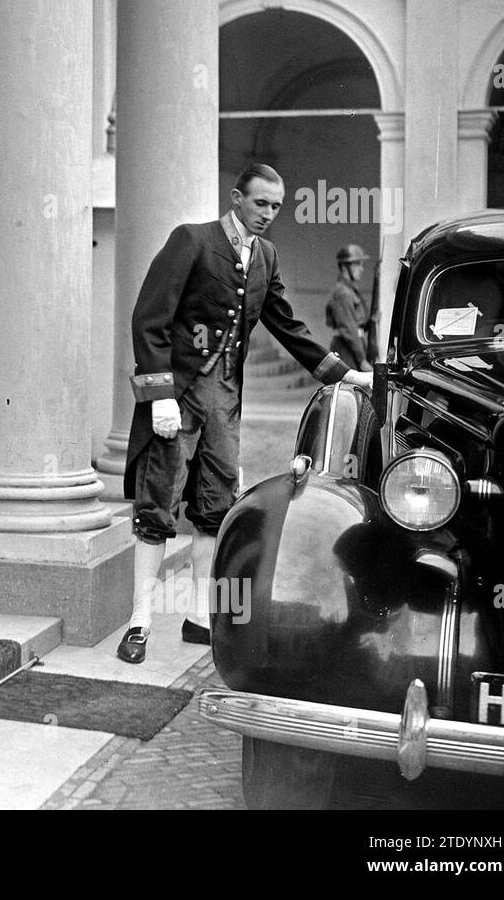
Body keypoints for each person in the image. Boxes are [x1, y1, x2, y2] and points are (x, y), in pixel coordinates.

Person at [116, 163, 373, 664]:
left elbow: (285, 323)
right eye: (260, 204)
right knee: (157, 508)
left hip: (224, 402)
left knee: (214, 509)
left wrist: (342, 374)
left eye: (276, 207)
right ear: (237, 199)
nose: (268, 214)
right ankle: (140, 622)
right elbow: (149, 319)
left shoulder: (266, 256)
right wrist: (159, 393)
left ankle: (196, 617)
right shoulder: (191, 241)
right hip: (180, 394)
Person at [326, 243, 374, 372]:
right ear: (344, 267)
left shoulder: (350, 290)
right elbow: (349, 328)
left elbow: (359, 324)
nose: (361, 269)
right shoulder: (342, 292)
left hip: (354, 347)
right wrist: (362, 360)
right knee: (349, 388)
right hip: (347, 350)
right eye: (357, 264)